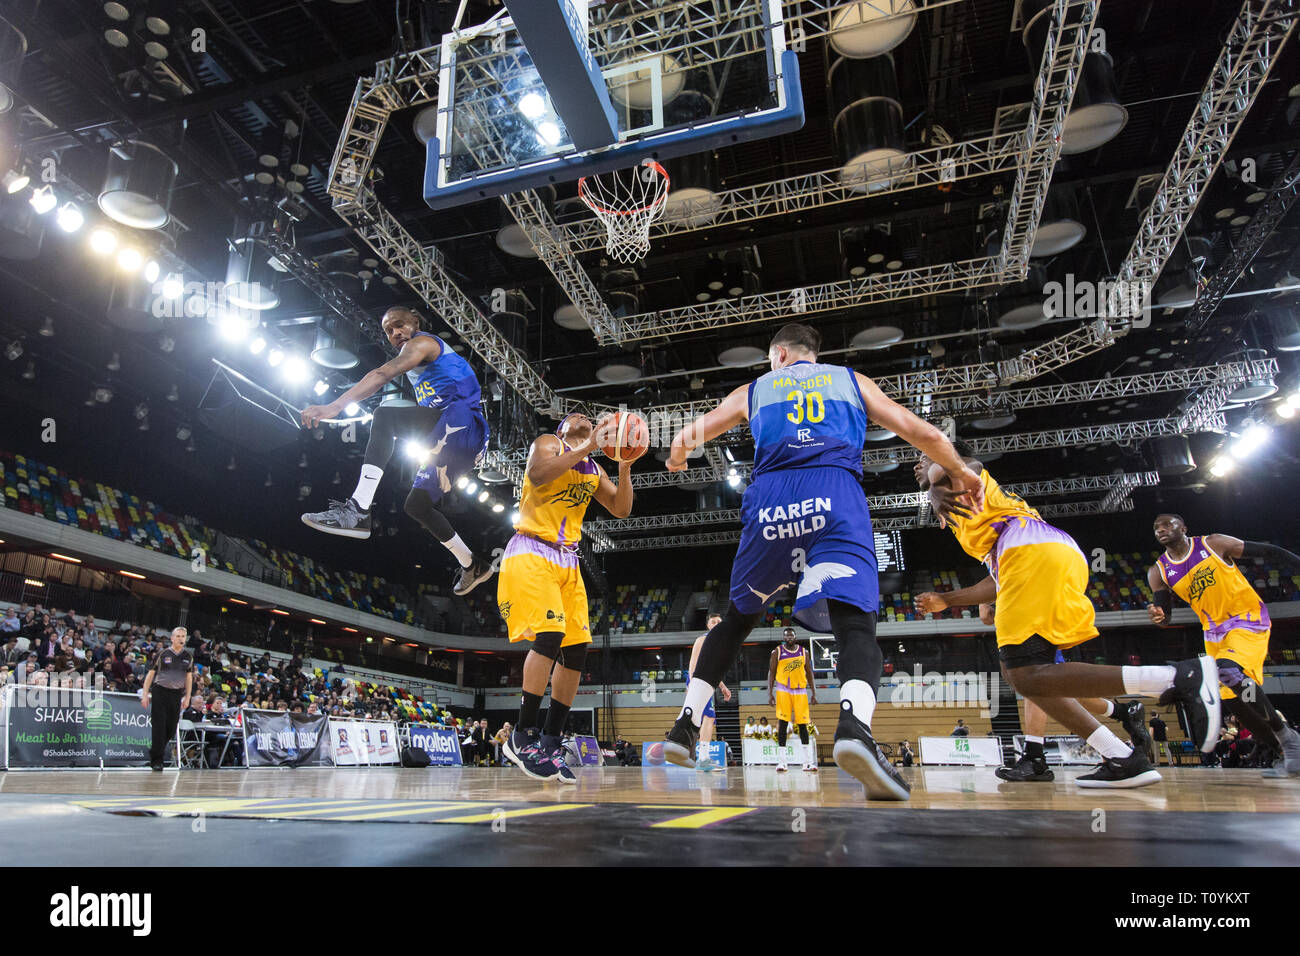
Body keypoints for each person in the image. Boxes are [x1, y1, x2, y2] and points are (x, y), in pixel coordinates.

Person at [661, 323, 982, 801]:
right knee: (856, 623)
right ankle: (853, 728)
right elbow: (920, 431)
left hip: (771, 500)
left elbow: (690, 436)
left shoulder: (755, 388)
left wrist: (677, 457)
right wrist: (959, 471)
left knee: (736, 620)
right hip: (834, 494)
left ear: (781, 354)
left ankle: (684, 728)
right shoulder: (851, 381)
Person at [912, 452, 1219, 789]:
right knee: (1030, 676)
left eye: (922, 457)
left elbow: (968, 465)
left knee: (1027, 674)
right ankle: (1120, 754)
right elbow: (997, 579)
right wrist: (948, 600)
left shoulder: (954, 478)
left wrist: (934, 486)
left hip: (1030, 552)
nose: (918, 464)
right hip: (1051, 552)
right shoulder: (981, 520)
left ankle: (1175, 677)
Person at [299, 305, 494, 595]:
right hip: (455, 439)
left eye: (400, 324)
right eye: (389, 331)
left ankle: (357, 510)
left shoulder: (423, 343)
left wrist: (334, 406)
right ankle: (472, 564)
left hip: (461, 422)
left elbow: (382, 373)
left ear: (416, 320)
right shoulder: (417, 357)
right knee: (416, 506)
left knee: (385, 416)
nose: (395, 333)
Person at [500, 412, 639, 783]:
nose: (582, 415)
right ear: (563, 428)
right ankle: (522, 733)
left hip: (568, 559)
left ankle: (550, 741)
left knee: (576, 649)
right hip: (532, 549)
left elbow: (622, 509)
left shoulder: (594, 469)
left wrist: (624, 465)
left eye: (587, 417)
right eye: (574, 414)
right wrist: (589, 444)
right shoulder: (549, 443)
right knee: (549, 636)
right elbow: (537, 475)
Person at [1146, 514, 1300, 777]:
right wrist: (1160, 617)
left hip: (1246, 618)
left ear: (1184, 528)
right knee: (1233, 701)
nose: (1161, 529)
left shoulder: (1213, 544)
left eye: (1167, 524)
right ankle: (1280, 752)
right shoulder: (1158, 571)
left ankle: (1287, 736)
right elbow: (1166, 615)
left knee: (1229, 671)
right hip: (1213, 632)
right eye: (1156, 527)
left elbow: (1269, 551)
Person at [141, 627, 194, 771]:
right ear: (172, 638)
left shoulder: (188, 656)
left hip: (176, 694)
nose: (181, 639)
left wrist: (188, 697)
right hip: (160, 691)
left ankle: (154, 752)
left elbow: (189, 678)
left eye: (183, 636)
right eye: (178, 636)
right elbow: (150, 675)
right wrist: (145, 694)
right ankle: (157, 760)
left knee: (171, 727)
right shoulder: (162, 653)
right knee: (159, 726)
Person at [768, 627, 817, 772]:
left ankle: (807, 762)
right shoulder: (777, 652)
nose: (789, 638)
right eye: (786, 636)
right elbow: (771, 673)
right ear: (784, 638)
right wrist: (769, 693)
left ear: (795, 637)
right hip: (783, 690)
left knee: (803, 725)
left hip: (800, 690)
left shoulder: (804, 652)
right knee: (782, 724)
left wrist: (814, 692)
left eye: (791, 636)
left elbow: (809, 673)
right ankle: (782, 762)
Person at [687, 613, 731, 771]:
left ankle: (702, 758)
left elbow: (715, 669)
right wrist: (692, 684)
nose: (717, 623)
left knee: (706, 718)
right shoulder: (702, 639)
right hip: (698, 681)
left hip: (709, 681)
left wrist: (723, 687)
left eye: (719, 621)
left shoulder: (722, 643)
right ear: (708, 625)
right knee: (707, 717)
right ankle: (702, 758)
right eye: (713, 621)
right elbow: (693, 663)